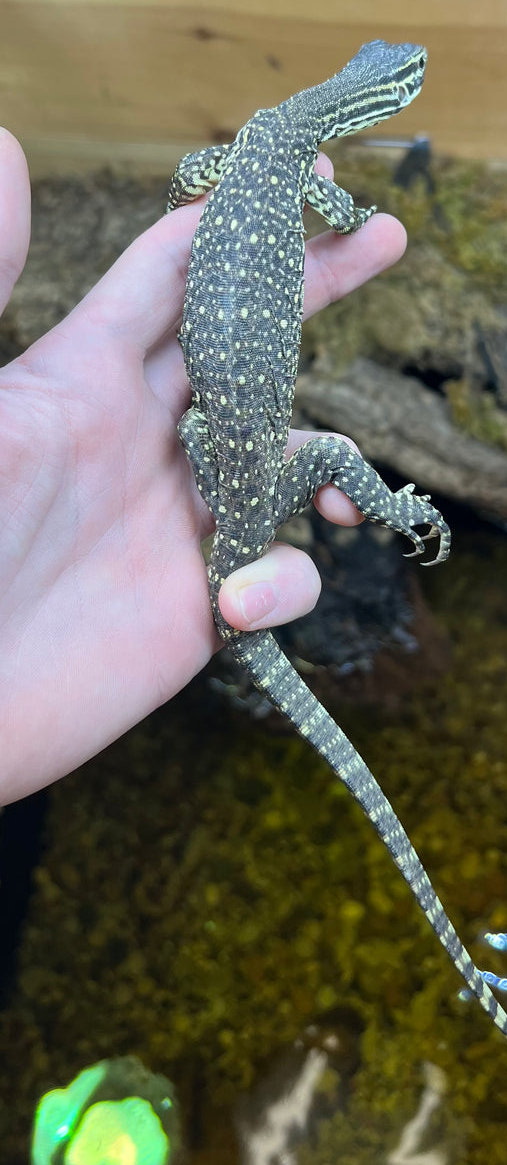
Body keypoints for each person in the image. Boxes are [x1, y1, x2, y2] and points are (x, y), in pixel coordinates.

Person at [0, 128, 408, 802]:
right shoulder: (297, 177)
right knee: (328, 453)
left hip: (218, 461)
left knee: (313, 452)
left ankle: (391, 508)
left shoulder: (254, 164)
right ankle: (395, 508)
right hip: (224, 466)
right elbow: (330, 213)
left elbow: (188, 176)